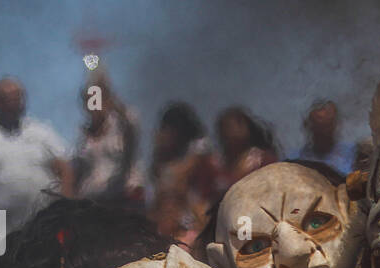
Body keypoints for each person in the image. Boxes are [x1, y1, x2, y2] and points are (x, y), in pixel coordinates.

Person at [0, 77, 73, 240]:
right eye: (6, 99)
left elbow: (64, 167)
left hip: (40, 223)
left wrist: (65, 205)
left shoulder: (40, 130)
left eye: (17, 98)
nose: (13, 103)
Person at [148, 102, 219, 248]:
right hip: (170, 213)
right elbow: (159, 185)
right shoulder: (165, 156)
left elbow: (176, 183)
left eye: (168, 130)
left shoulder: (199, 152)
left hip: (196, 212)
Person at [71, 71, 143, 208]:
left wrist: (109, 94)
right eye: (89, 100)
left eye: (97, 99)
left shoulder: (121, 125)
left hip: (124, 198)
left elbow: (131, 123)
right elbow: (77, 170)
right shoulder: (82, 136)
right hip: (95, 202)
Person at [213, 106, 277, 193]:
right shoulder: (218, 164)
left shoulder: (261, 160)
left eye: (238, 124)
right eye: (228, 126)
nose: (233, 130)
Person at [291, 99, 358, 176]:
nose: (324, 131)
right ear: (309, 127)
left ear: (335, 125)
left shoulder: (352, 153)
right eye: (318, 126)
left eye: (328, 126)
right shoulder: (296, 159)